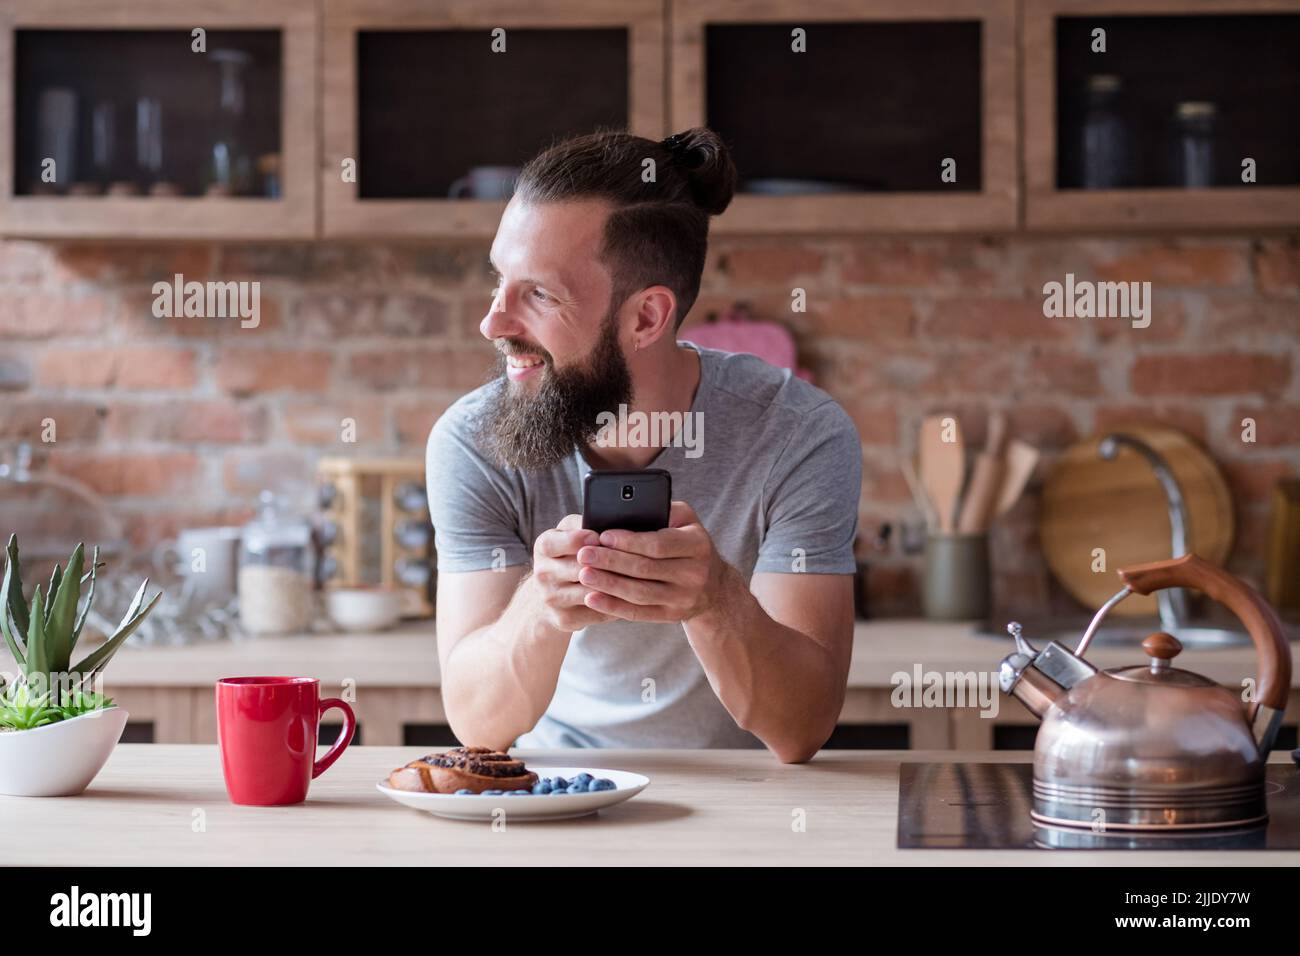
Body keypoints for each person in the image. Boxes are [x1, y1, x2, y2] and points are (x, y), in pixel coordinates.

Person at [426, 128, 861, 762]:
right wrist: (541, 610)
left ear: (646, 319)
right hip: (560, 795)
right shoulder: (473, 441)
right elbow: (476, 723)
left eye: (539, 294)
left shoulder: (799, 433)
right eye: (500, 282)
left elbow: (800, 729)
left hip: (751, 803)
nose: (492, 322)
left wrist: (716, 599)